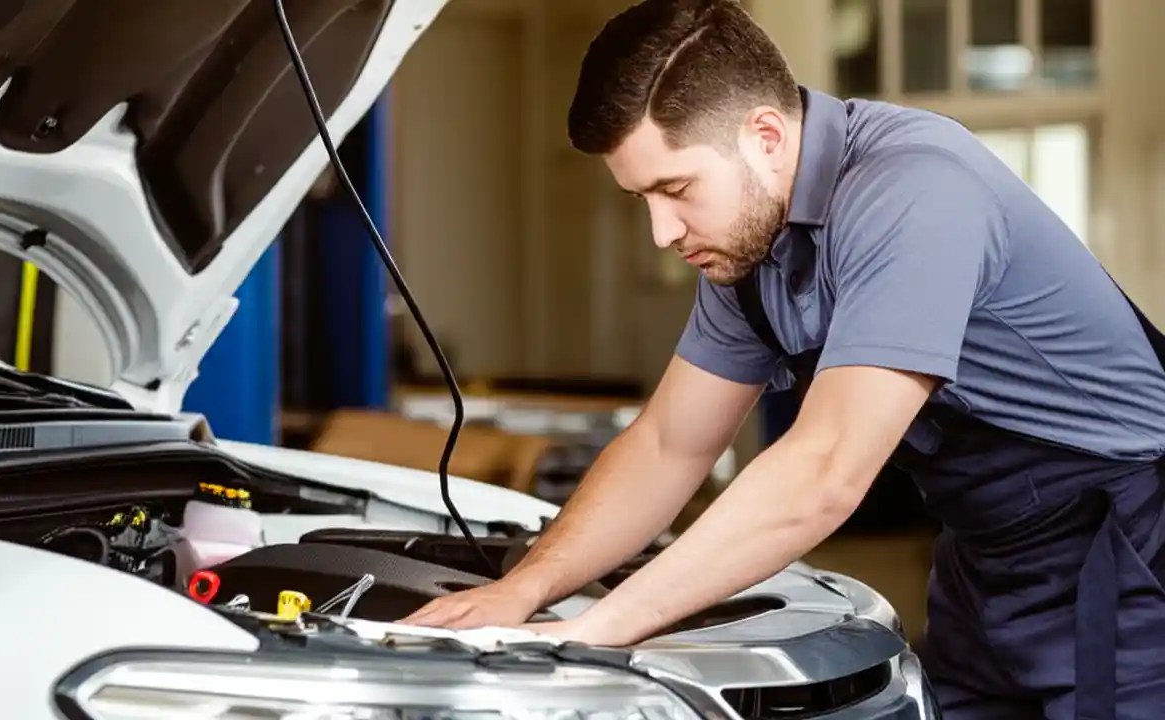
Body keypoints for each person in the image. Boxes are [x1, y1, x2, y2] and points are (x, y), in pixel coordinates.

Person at [399, 1, 1165, 717]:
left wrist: (596, 633)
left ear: (765, 136)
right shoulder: (749, 246)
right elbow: (669, 445)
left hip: (1124, 551)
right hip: (987, 557)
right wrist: (525, 590)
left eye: (676, 189)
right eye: (643, 201)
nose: (663, 231)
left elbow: (825, 471)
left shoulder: (915, 191)